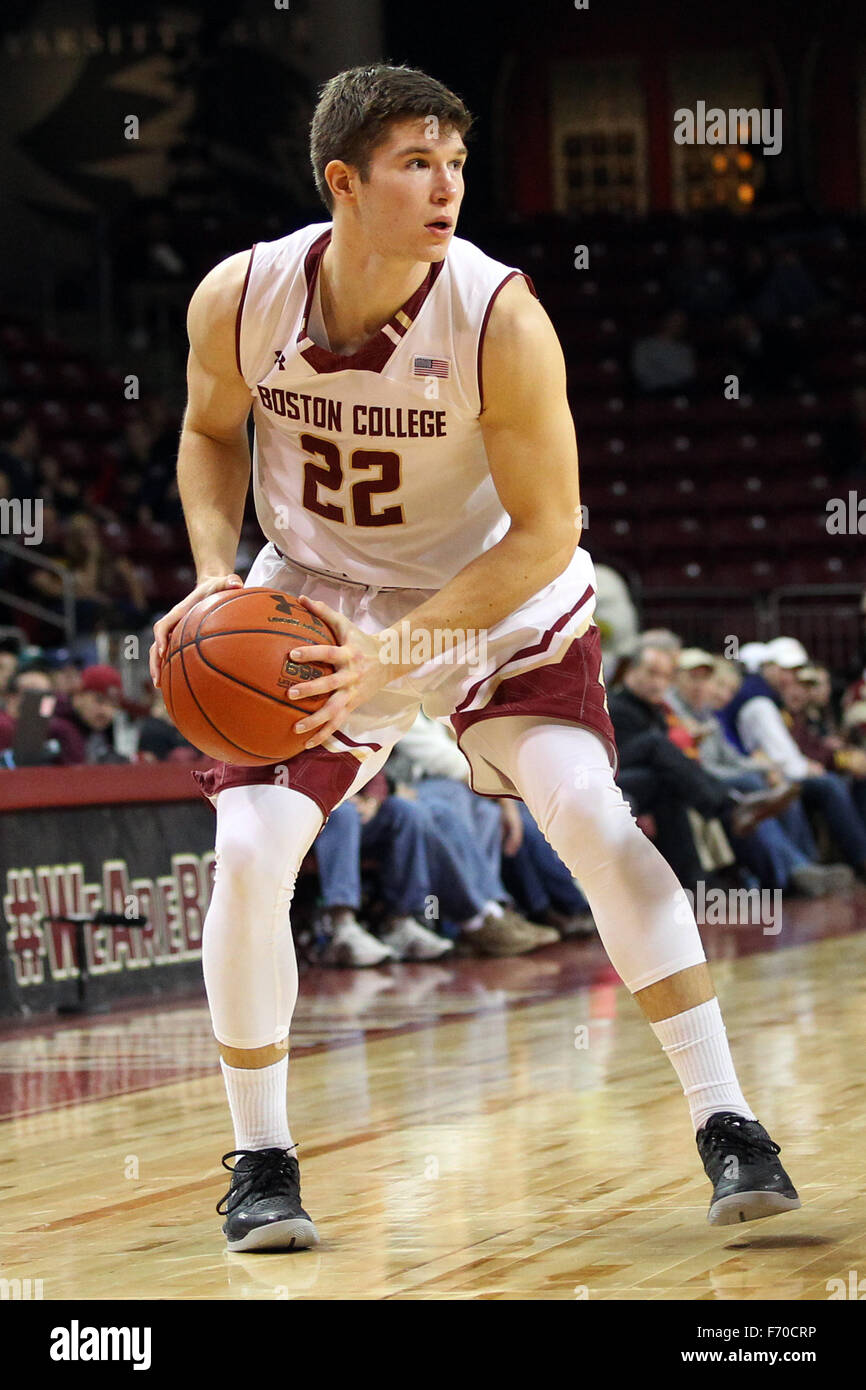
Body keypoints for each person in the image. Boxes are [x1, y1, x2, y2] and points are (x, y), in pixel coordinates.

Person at [150, 65, 801, 1253]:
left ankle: (728, 1122)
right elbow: (204, 430)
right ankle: (261, 1158)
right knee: (247, 853)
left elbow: (549, 526)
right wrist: (211, 576)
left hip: (488, 591)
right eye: (415, 162)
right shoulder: (240, 295)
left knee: (589, 816)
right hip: (317, 588)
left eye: (455, 161)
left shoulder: (498, 314)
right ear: (343, 182)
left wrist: (401, 656)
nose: (447, 185)